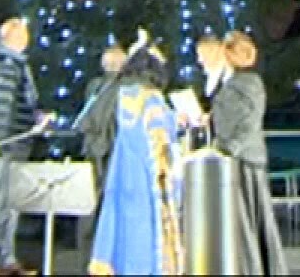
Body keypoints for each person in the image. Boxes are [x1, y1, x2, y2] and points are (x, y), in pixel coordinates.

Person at [90, 31, 183, 276]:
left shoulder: (124, 96)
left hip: (124, 176)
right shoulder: (152, 101)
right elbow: (160, 143)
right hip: (148, 181)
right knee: (147, 238)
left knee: (125, 234)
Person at [204, 31, 286, 275]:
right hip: (234, 158)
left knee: (246, 222)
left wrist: (229, 148)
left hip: (244, 161)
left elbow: (249, 122)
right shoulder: (231, 82)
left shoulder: (248, 82)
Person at [0, 18, 50, 273]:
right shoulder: (6, 66)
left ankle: (6, 258)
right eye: (23, 34)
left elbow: (21, 103)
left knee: (11, 205)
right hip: (8, 145)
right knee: (2, 204)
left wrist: (37, 118)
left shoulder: (16, 65)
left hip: (16, 143)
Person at [78, 45, 127, 246]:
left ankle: (86, 247)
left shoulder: (94, 86)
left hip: (92, 147)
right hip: (110, 150)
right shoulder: (123, 89)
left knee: (88, 203)